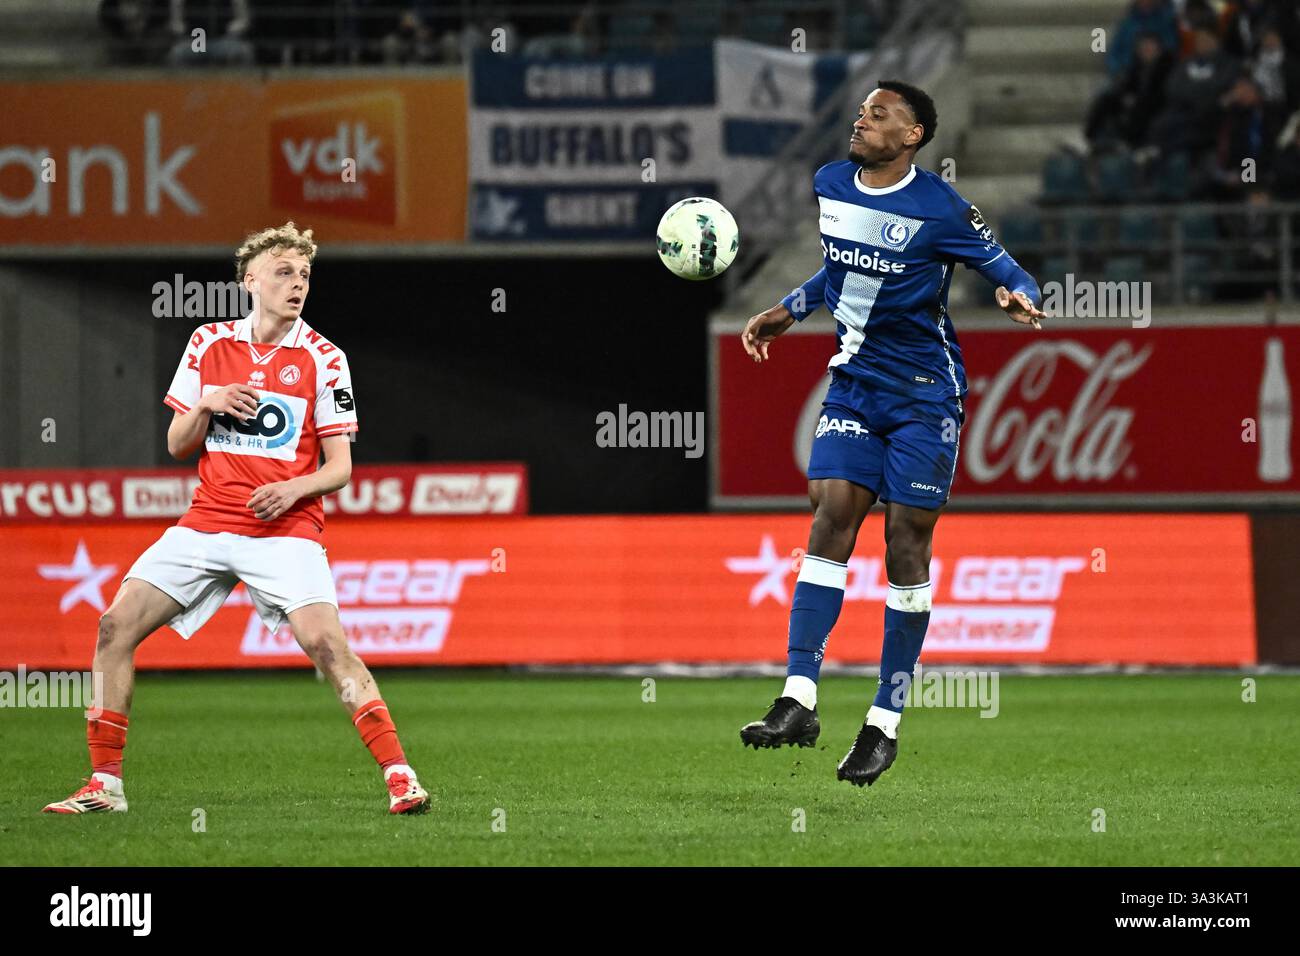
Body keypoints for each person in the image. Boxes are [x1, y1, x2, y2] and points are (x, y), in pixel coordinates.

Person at [43, 222, 430, 816]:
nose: (296, 283)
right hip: (205, 524)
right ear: (250, 280)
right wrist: (206, 402)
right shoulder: (208, 343)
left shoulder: (325, 359)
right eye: (283, 272)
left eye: (304, 274)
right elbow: (177, 444)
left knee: (327, 646)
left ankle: (400, 775)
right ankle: (105, 786)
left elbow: (341, 467)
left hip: (283, 530)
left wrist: (292, 489)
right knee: (112, 630)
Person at [737, 81, 1044, 787]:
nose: (862, 120)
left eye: (880, 115)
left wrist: (1017, 292)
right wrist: (791, 306)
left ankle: (883, 723)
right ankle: (799, 698)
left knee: (906, 539)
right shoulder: (831, 182)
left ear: (911, 136)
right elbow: (842, 266)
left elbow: (1006, 267)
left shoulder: (941, 207)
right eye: (862, 111)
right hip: (853, 382)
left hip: (924, 396)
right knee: (831, 512)